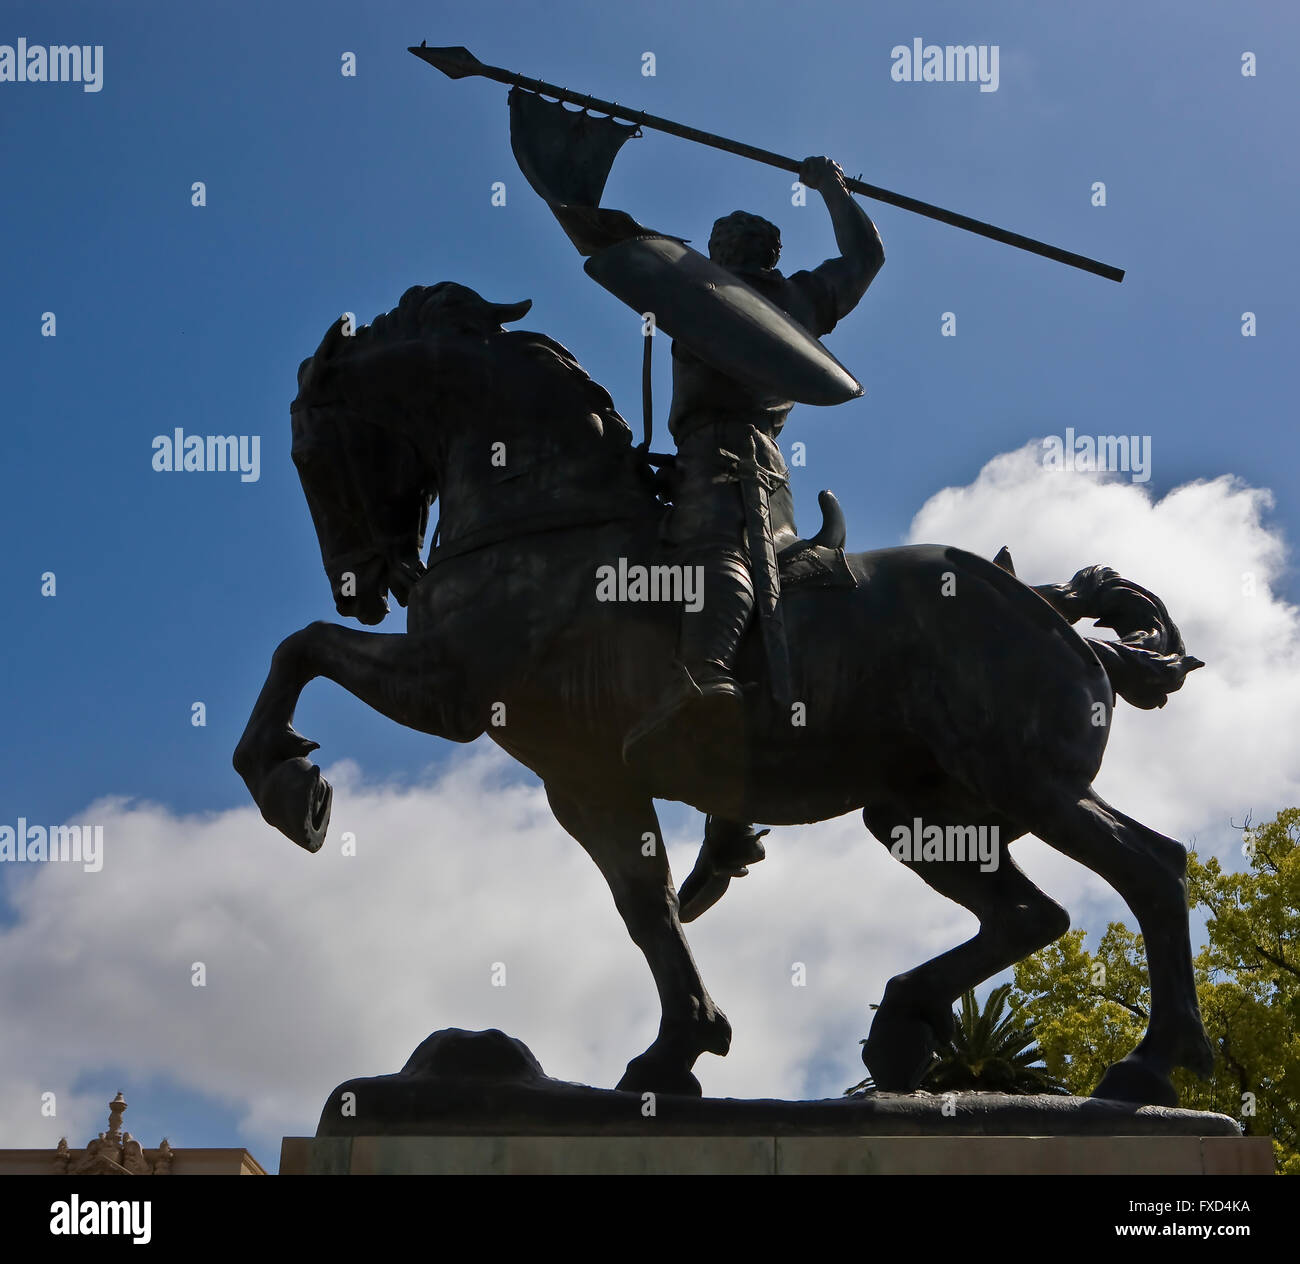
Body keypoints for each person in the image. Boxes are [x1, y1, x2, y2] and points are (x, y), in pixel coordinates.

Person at [624, 156, 885, 919]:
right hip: (685, 456)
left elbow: (865, 260)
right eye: (716, 243)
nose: (720, 251)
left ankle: (706, 676)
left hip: (738, 462)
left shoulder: (783, 299)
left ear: (754, 254)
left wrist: (834, 190)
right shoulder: (693, 292)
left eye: (730, 243)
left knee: (718, 553)